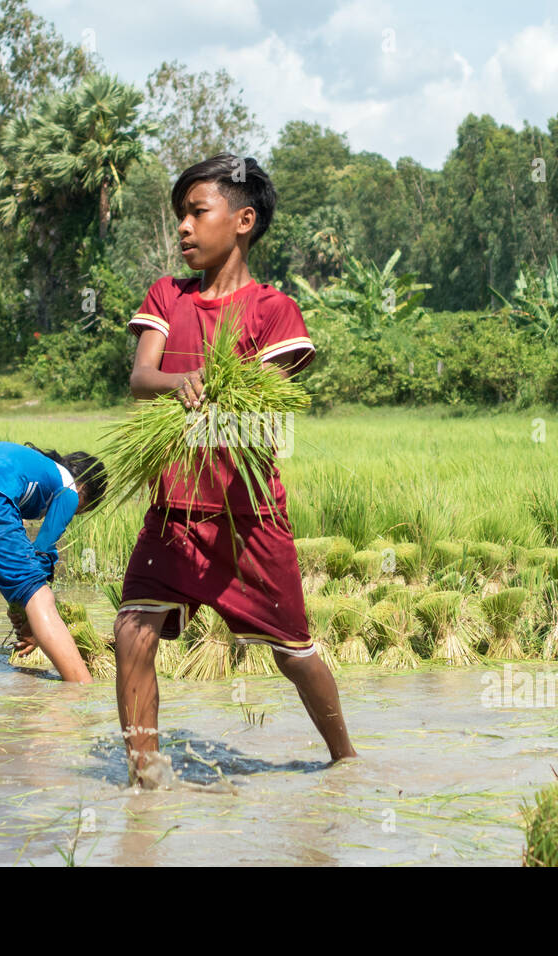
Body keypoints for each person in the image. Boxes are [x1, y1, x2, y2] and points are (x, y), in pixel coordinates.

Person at [113, 153, 357, 786]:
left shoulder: (275, 310)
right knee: (132, 632)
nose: (184, 229)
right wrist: (179, 382)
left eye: (198, 213)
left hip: (248, 521)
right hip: (173, 512)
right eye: (180, 217)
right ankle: (145, 780)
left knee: (293, 654)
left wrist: (215, 402)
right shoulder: (169, 295)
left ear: (243, 220)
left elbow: (265, 404)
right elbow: (142, 377)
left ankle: (345, 762)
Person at [0, 441, 106, 680]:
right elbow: (43, 550)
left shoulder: (42, 468)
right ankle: (81, 686)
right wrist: (30, 620)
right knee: (40, 596)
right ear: (84, 488)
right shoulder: (69, 487)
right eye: (82, 510)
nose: (75, 512)